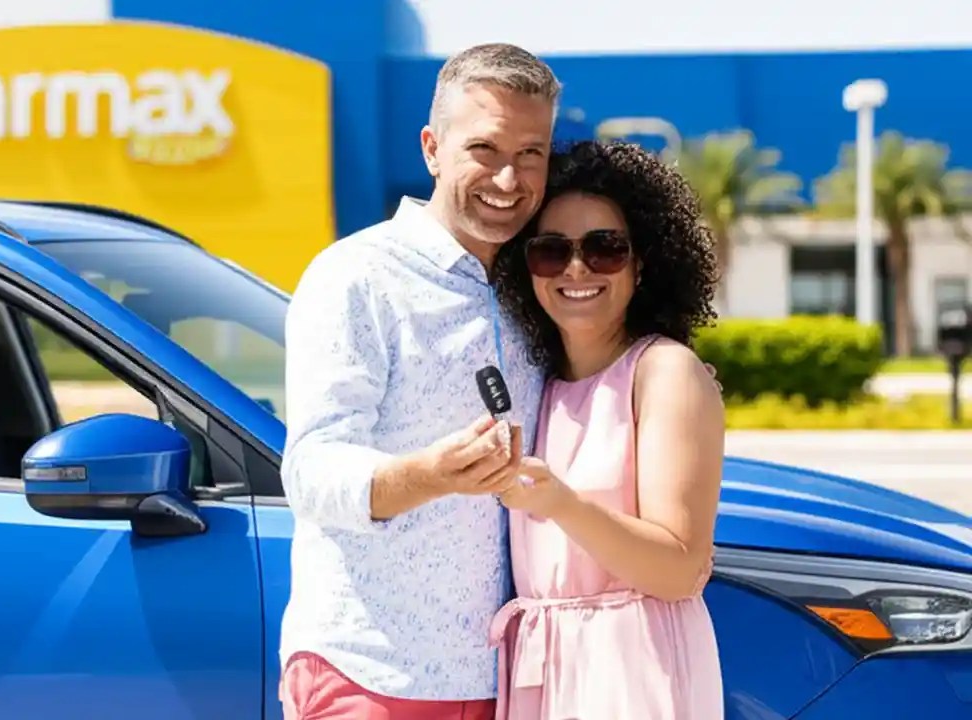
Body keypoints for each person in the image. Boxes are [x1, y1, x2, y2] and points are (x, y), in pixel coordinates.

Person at [278, 43, 561, 719]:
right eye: (485, 149)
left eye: (531, 154)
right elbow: (310, 473)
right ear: (433, 149)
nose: (508, 178)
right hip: (371, 675)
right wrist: (430, 474)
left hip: (513, 678)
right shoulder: (355, 277)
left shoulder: (546, 284)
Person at [488, 139, 726, 720]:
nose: (576, 268)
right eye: (551, 251)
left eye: (604, 248)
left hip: (632, 673)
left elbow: (680, 570)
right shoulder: (538, 383)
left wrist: (563, 504)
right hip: (541, 671)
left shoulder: (663, 372)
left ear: (642, 264)